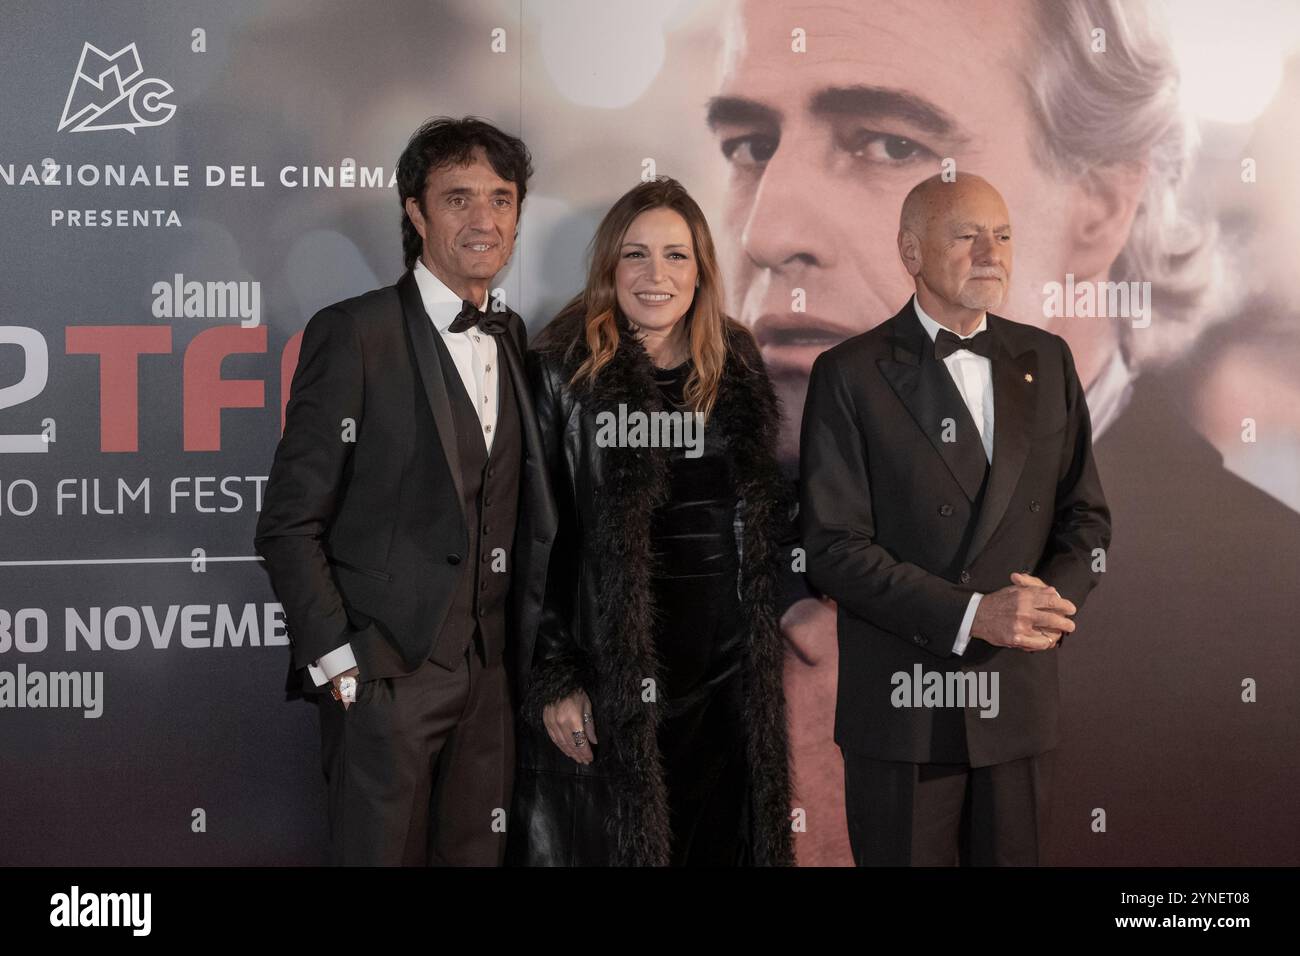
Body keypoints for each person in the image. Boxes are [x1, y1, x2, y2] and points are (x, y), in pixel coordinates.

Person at [707, 0, 1300, 864]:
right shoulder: (643, 563)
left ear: (1098, 206)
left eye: (888, 144)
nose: (769, 234)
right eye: (751, 148)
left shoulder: (1271, 622)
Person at [254, 116, 556, 865]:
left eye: (502, 198)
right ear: (415, 213)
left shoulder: (513, 338)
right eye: (458, 198)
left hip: (490, 683)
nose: (484, 219)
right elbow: (288, 523)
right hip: (383, 679)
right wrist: (340, 665)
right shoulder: (354, 334)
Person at [800, 172, 1111, 865]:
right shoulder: (850, 373)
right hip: (903, 716)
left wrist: (1044, 607)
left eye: (1001, 236)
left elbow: (1085, 518)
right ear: (910, 251)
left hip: (1016, 702)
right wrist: (973, 615)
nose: (990, 253)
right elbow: (833, 549)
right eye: (966, 235)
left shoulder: (1047, 359)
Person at [507, 177, 793, 866]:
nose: (655, 275)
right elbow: (532, 535)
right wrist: (557, 673)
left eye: (676, 255)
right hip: (614, 672)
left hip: (725, 676)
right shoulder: (562, 370)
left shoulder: (736, 363)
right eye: (635, 255)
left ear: (701, 271)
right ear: (609, 268)